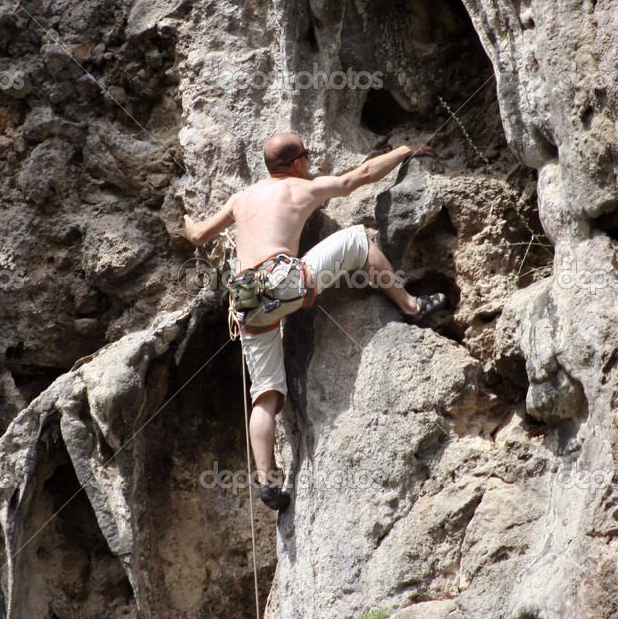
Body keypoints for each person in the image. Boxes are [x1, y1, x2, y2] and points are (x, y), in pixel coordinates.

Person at [184, 133, 447, 510]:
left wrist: (189, 221)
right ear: (296, 164)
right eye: (306, 156)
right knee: (358, 240)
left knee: (266, 393)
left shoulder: (241, 199)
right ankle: (410, 306)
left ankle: (267, 481)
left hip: (244, 301)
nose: (309, 162)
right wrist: (405, 150)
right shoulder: (299, 188)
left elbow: (197, 235)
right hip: (282, 281)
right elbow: (361, 176)